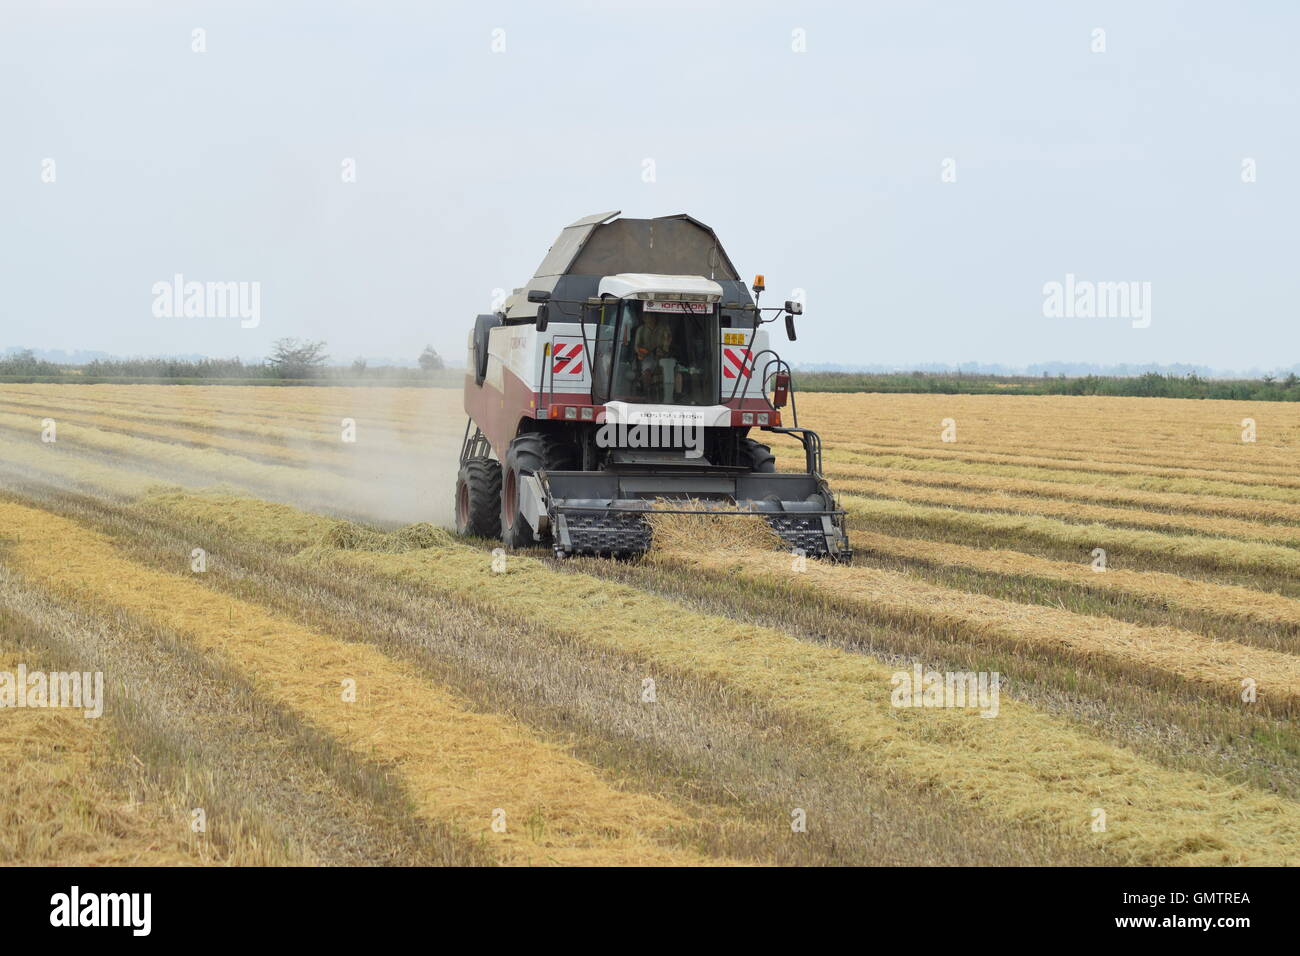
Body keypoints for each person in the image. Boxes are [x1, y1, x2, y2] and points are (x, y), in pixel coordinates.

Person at [633, 311, 673, 394]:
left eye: (652, 316)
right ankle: (646, 393)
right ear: (644, 319)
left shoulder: (664, 328)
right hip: (647, 358)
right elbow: (636, 347)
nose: (650, 318)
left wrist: (663, 350)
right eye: (648, 316)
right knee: (647, 371)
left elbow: (668, 344)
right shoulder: (641, 329)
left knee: (670, 372)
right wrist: (642, 353)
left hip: (663, 357)